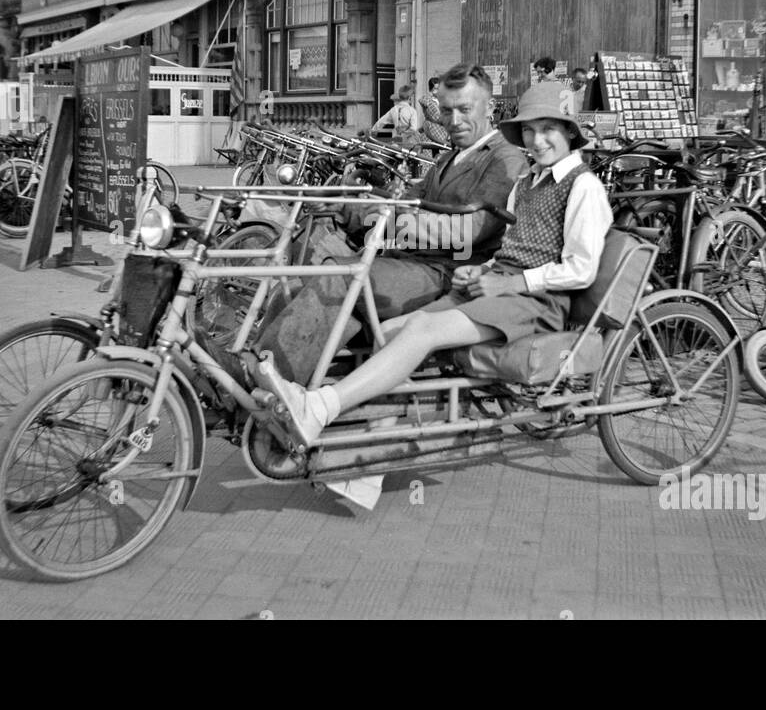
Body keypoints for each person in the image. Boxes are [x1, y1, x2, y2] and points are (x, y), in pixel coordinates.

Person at [252, 79, 613, 509]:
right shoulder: (531, 181)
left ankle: (319, 409)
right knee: (389, 331)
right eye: (531, 131)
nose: (538, 140)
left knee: (420, 329)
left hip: (535, 300)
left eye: (548, 129)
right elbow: (510, 246)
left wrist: (508, 281)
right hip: (496, 283)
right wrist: (481, 271)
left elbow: (580, 268)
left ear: (569, 131)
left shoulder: (583, 185)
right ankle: (372, 460)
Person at [253, 63, 529, 387]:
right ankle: (261, 363)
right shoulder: (449, 157)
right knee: (298, 284)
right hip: (410, 263)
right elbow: (402, 202)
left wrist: (392, 217)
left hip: (450, 275)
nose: (454, 121)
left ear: (490, 107)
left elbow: (469, 233)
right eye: (447, 111)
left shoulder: (504, 157)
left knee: (338, 279)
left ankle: (266, 381)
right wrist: (345, 208)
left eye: (465, 110)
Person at [417, 76, 449, 146]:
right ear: (431, 89)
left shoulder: (442, 99)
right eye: (435, 88)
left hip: (443, 132)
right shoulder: (428, 100)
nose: (438, 91)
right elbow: (436, 116)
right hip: (432, 130)